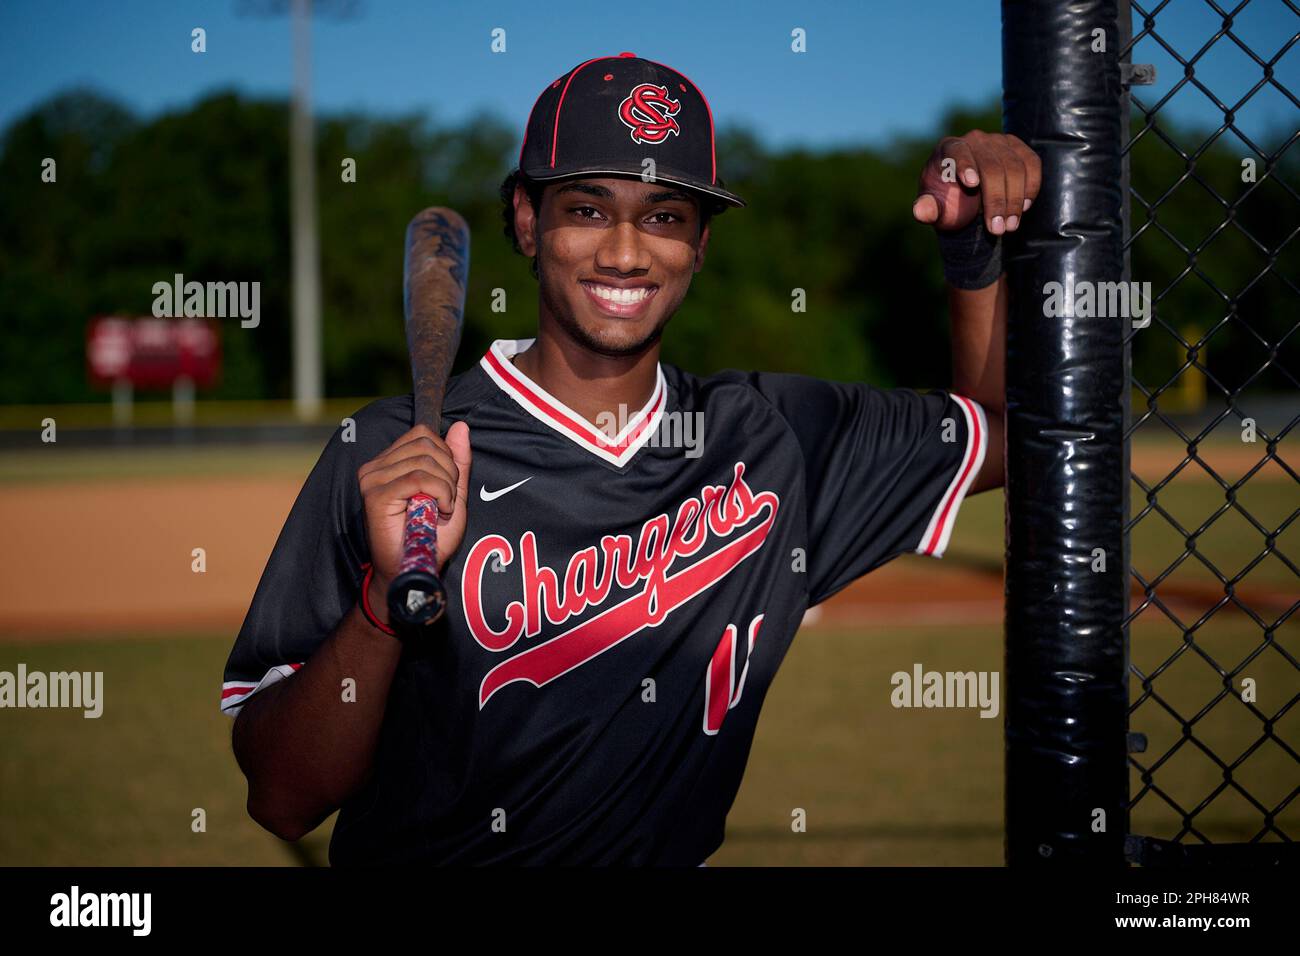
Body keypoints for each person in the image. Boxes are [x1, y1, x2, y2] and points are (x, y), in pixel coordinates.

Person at [223, 52, 1039, 866]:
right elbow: (283, 798)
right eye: (587, 208)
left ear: (700, 243)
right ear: (526, 219)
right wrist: (382, 600)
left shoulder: (778, 438)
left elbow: (1005, 428)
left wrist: (971, 249)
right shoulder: (395, 453)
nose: (624, 252)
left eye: (663, 217)